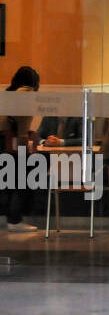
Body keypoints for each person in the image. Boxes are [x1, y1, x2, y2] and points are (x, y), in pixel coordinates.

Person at [2, 66, 41, 231]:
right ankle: (15, 220)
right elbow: (22, 127)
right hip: (12, 142)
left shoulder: (9, 93)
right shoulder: (27, 94)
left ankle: (10, 218)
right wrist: (25, 149)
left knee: (6, 181)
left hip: (2, 140)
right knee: (21, 180)